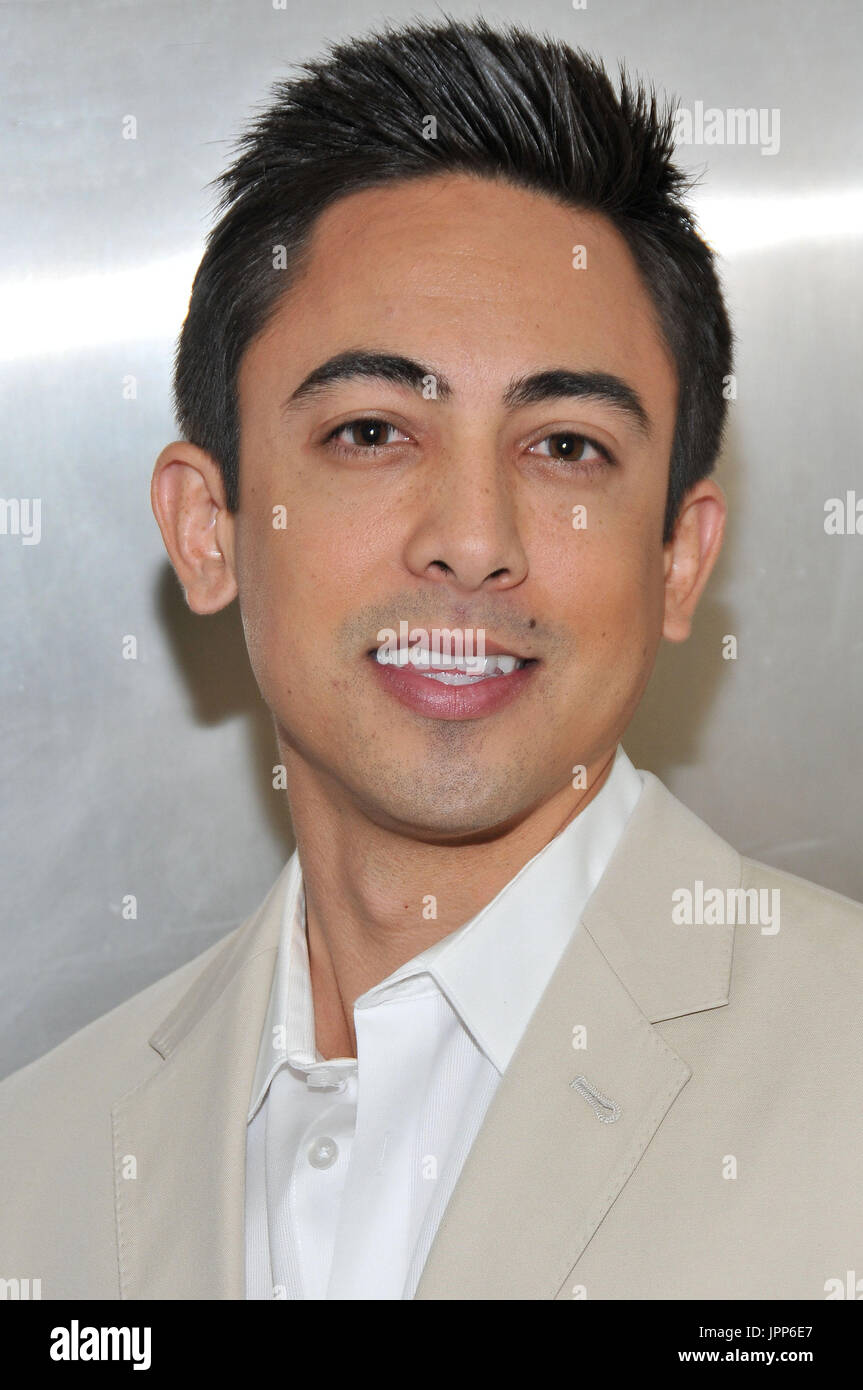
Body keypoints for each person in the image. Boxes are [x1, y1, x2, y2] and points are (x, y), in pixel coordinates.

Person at [1, 16, 860, 1302]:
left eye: (565, 446)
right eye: (369, 430)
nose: (471, 541)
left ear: (677, 560)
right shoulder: (37, 1166)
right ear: (208, 526)